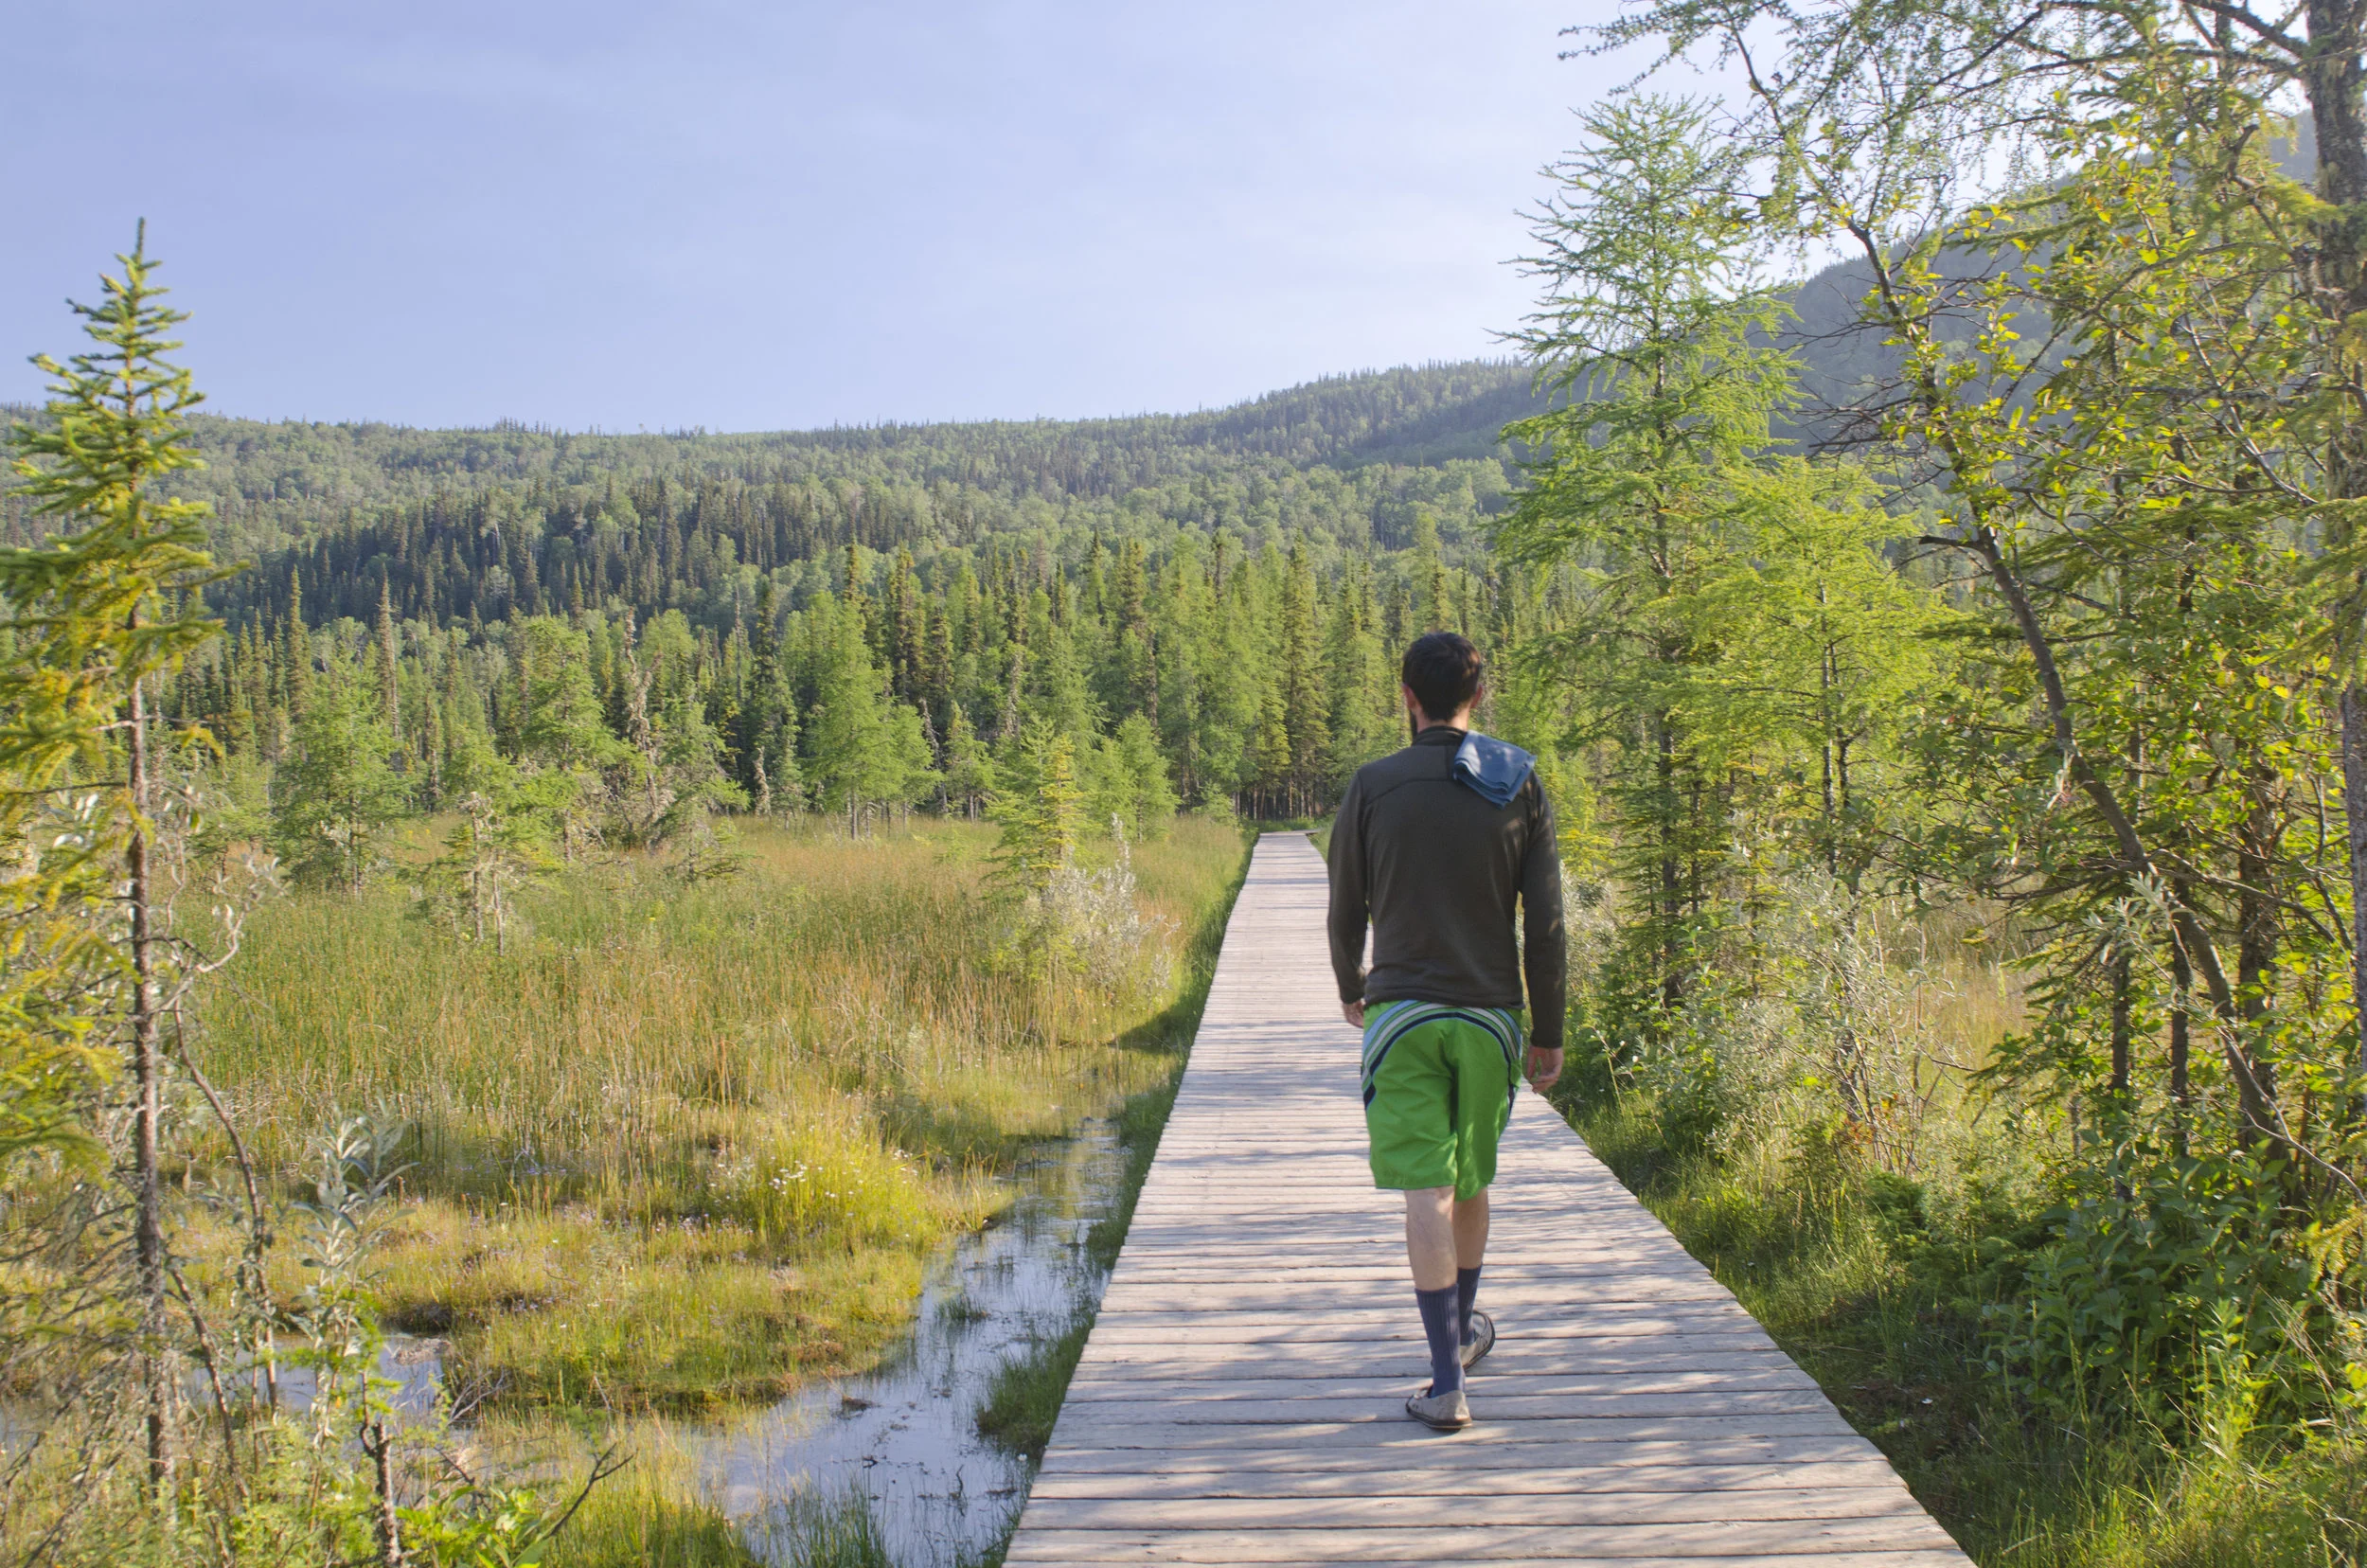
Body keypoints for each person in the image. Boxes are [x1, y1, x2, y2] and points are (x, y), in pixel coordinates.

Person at [1326, 631, 1565, 1431]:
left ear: (1408, 697)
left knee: (1424, 1189)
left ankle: (1445, 1382)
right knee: (1469, 1180)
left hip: (1402, 1014)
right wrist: (1548, 1030)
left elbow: (1345, 905)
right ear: (1479, 696)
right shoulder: (1520, 782)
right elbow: (1547, 925)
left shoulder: (1374, 784)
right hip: (1491, 1017)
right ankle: (1462, 1332)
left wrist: (1352, 987)